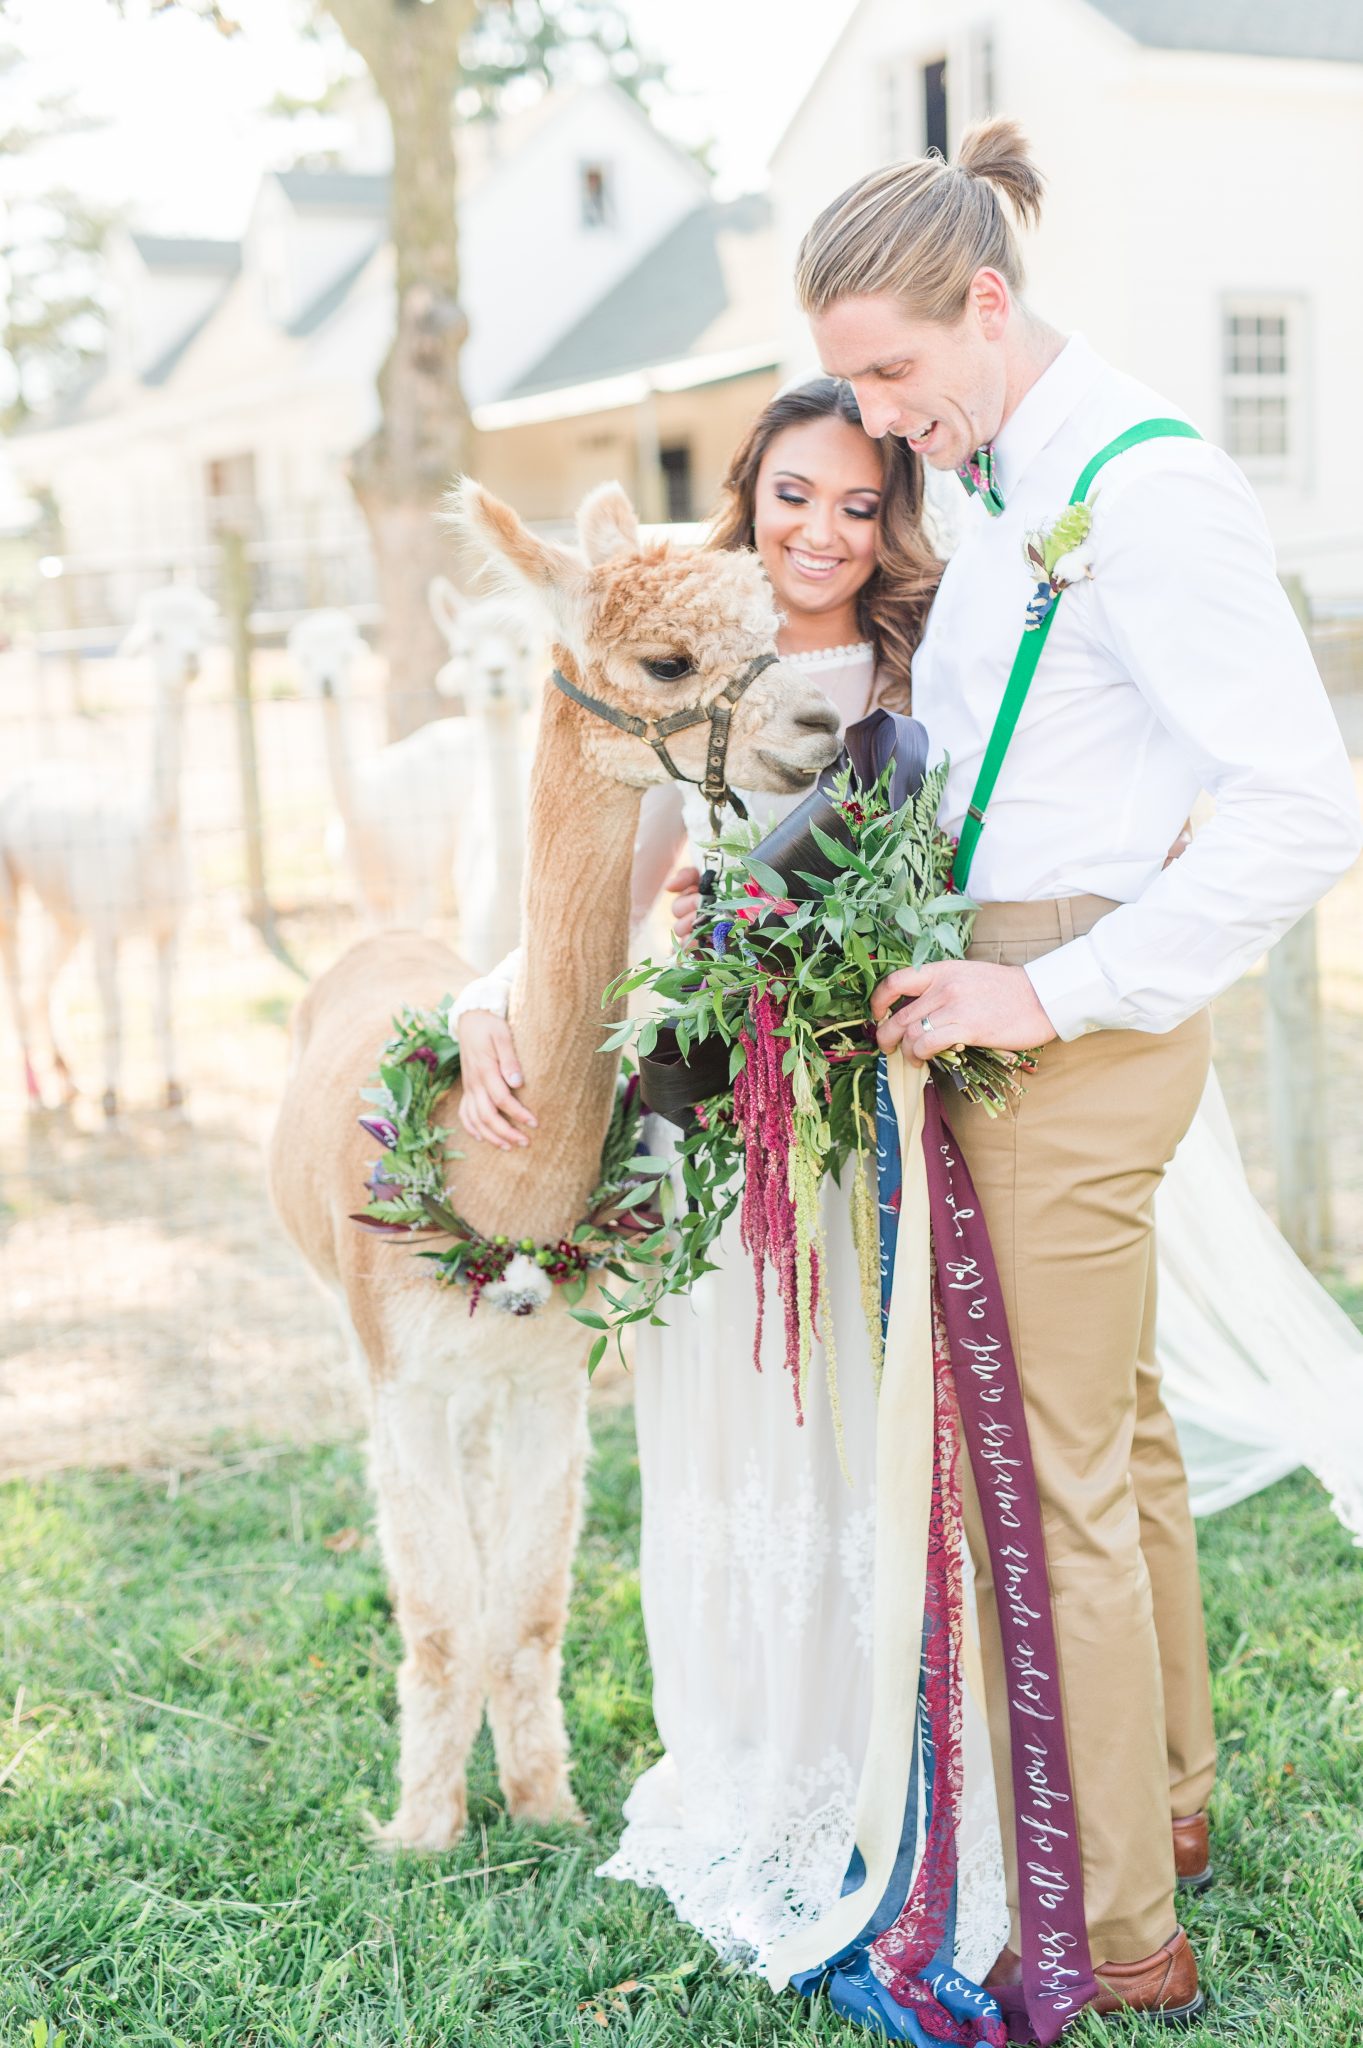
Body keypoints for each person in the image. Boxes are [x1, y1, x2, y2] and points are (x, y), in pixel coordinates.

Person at [452, 206, 1362, 2023]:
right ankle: (1162, 1814)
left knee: (1051, 1481)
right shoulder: (1028, 479)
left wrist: (1046, 986)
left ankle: (1114, 1939)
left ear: (994, 304)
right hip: (1001, 998)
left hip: (1060, 1015)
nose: (877, 422)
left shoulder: (1144, 493)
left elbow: (1302, 803)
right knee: (1126, 1436)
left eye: (892, 374)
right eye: (849, 382)